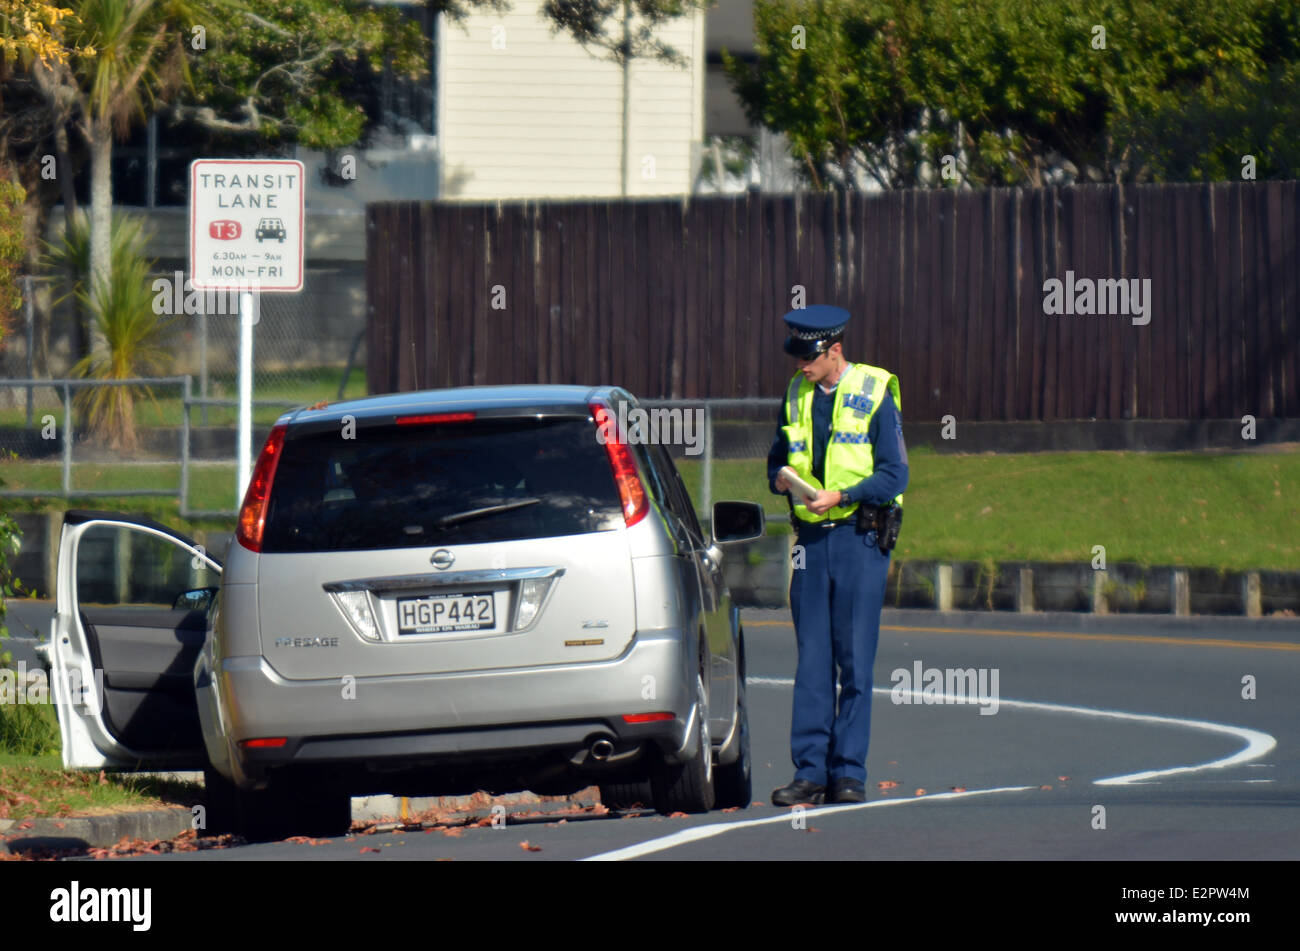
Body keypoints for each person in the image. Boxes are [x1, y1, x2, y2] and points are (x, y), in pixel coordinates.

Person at [766, 305, 909, 806]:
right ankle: (810, 772)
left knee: (854, 662)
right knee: (812, 663)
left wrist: (843, 497)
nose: (802, 366)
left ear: (835, 350)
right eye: (798, 357)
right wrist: (782, 478)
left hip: (858, 539)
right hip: (811, 544)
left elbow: (895, 475)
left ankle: (848, 772)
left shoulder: (874, 394)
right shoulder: (796, 393)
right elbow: (776, 457)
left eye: (810, 357)